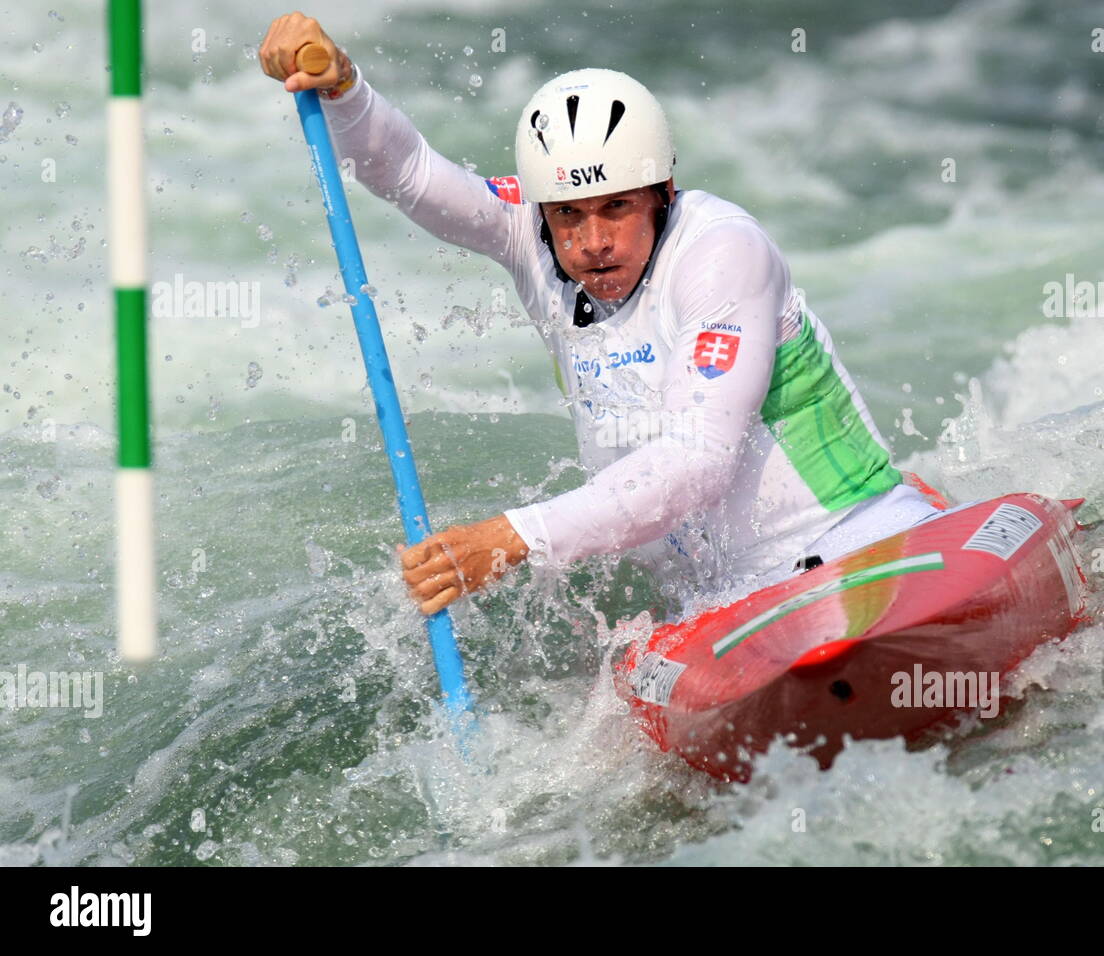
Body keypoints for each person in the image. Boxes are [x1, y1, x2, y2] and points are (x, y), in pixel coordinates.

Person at [258, 13, 947, 617]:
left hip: (857, 544)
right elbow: (408, 172)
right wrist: (344, 89)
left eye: (616, 206)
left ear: (662, 193)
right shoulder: (525, 231)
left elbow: (699, 461)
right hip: (717, 609)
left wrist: (513, 536)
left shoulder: (720, 250)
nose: (592, 241)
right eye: (569, 215)